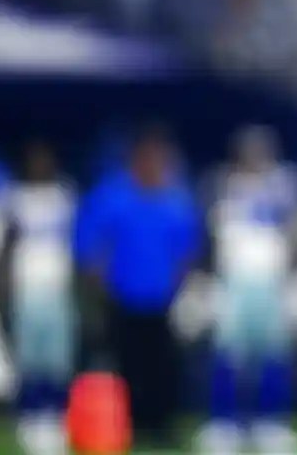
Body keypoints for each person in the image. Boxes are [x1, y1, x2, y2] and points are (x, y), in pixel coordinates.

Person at [74, 126, 202, 449]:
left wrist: (180, 285)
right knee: (127, 367)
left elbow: (189, 249)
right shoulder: (112, 195)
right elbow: (90, 246)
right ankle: (128, 425)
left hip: (163, 300)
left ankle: (162, 424)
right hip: (122, 298)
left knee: (164, 368)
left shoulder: (175, 199)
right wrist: (99, 287)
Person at [196, 126, 297, 455]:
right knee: (228, 352)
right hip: (233, 281)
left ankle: (270, 422)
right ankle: (224, 422)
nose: (255, 157)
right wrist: (206, 280)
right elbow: (209, 236)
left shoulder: (286, 184)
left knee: (274, 352)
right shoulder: (220, 184)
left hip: (273, 281)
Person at [2, 141, 77, 455]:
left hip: (57, 289)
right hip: (27, 288)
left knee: (57, 359)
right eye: (34, 161)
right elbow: (5, 245)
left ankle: (55, 416)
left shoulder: (65, 197)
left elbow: (77, 245)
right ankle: (30, 417)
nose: (40, 166)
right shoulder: (15, 199)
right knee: (29, 358)